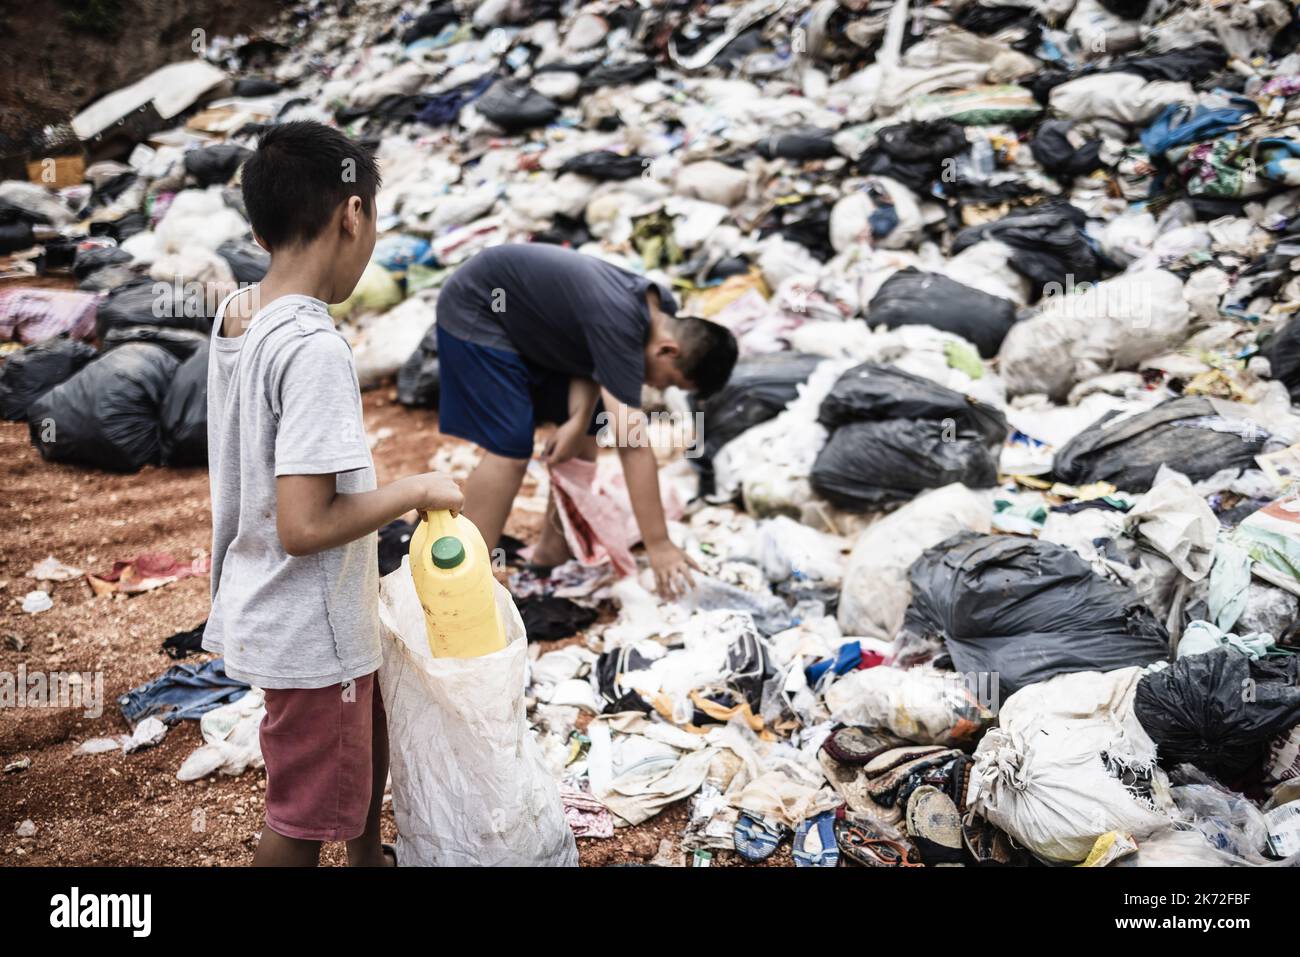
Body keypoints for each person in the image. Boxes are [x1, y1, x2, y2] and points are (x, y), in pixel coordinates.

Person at [204, 121, 463, 867]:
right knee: (303, 813)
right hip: (309, 625)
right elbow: (306, 522)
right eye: (372, 219)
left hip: (278, 606)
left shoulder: (240, 316)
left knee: (358, 744)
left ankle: (368, 858)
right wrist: (416, 485)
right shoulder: (313, 348)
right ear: (352, 214)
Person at [435, 243, 738, 599]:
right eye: (668, 380)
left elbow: (591, 354)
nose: (658, 386)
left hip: (531, 323)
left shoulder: (660, 310)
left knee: (594, 425)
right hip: (480, 308)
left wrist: (578, 420)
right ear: (668, 351)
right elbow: (632, 443)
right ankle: (462, 576)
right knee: (511, 445)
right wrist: (659, 544)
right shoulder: (622, 320)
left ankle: (549, 556)